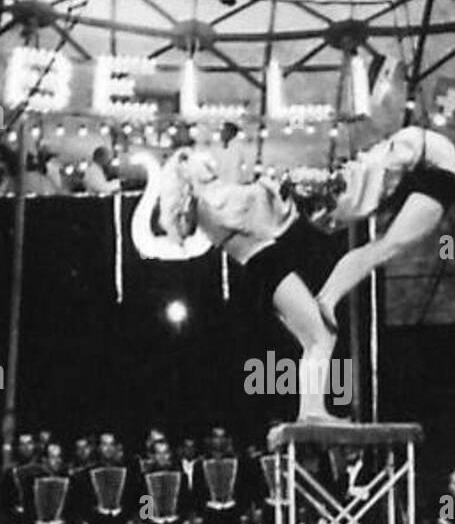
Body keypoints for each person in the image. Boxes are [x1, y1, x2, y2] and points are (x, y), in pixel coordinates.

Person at [133, 147, 338, 420]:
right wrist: (279, 187)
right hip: (266, 262)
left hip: (263, 264)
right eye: (198, 159)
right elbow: (262, 212)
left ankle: (311, 410)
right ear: (186, 171)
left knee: (314, 338)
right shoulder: (210, 202)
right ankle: (313, 411)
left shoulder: (211, 199)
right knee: (322, 334)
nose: (208, 160)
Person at [294, 125, 455, 334]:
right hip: (429, 165)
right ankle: (326, 299)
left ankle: (326, 299)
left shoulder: (396, 156)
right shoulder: (405, 157)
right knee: (381, 249)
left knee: (379, 248)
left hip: (420, 157)